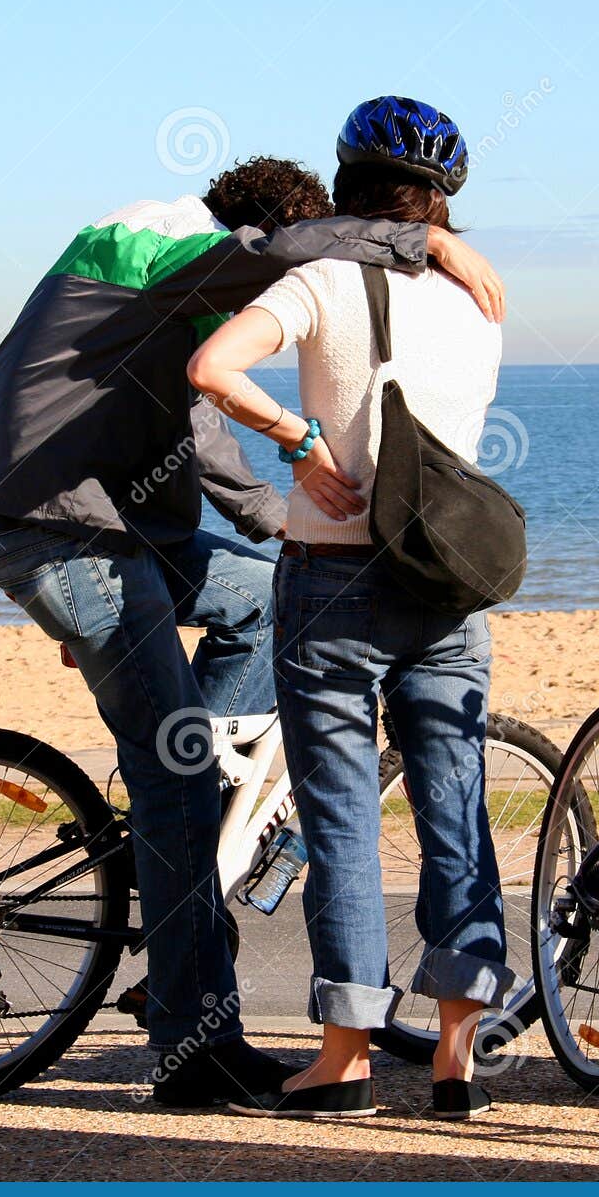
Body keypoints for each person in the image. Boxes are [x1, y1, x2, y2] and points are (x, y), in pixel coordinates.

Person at [0, 154, 505, 1108]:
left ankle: (203, 784)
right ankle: (194, 1046)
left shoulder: (168, 293)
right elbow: (275, 270)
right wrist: (416, 238)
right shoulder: (161, 244)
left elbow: (216, 460)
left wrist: (314, 528)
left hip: (118, 534)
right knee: (173, 776)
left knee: (261, 598)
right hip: (63, 530)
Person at [186, 99, 510, 1121]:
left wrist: (298, 440)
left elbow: (210, 368)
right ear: (442, 200)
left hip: (333, 580)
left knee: (341, 821)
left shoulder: (322, 279)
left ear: (344, 185)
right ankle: (457, 1059)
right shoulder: (479, 294)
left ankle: (346, 1059)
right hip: (448, 584)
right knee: (454, 811)